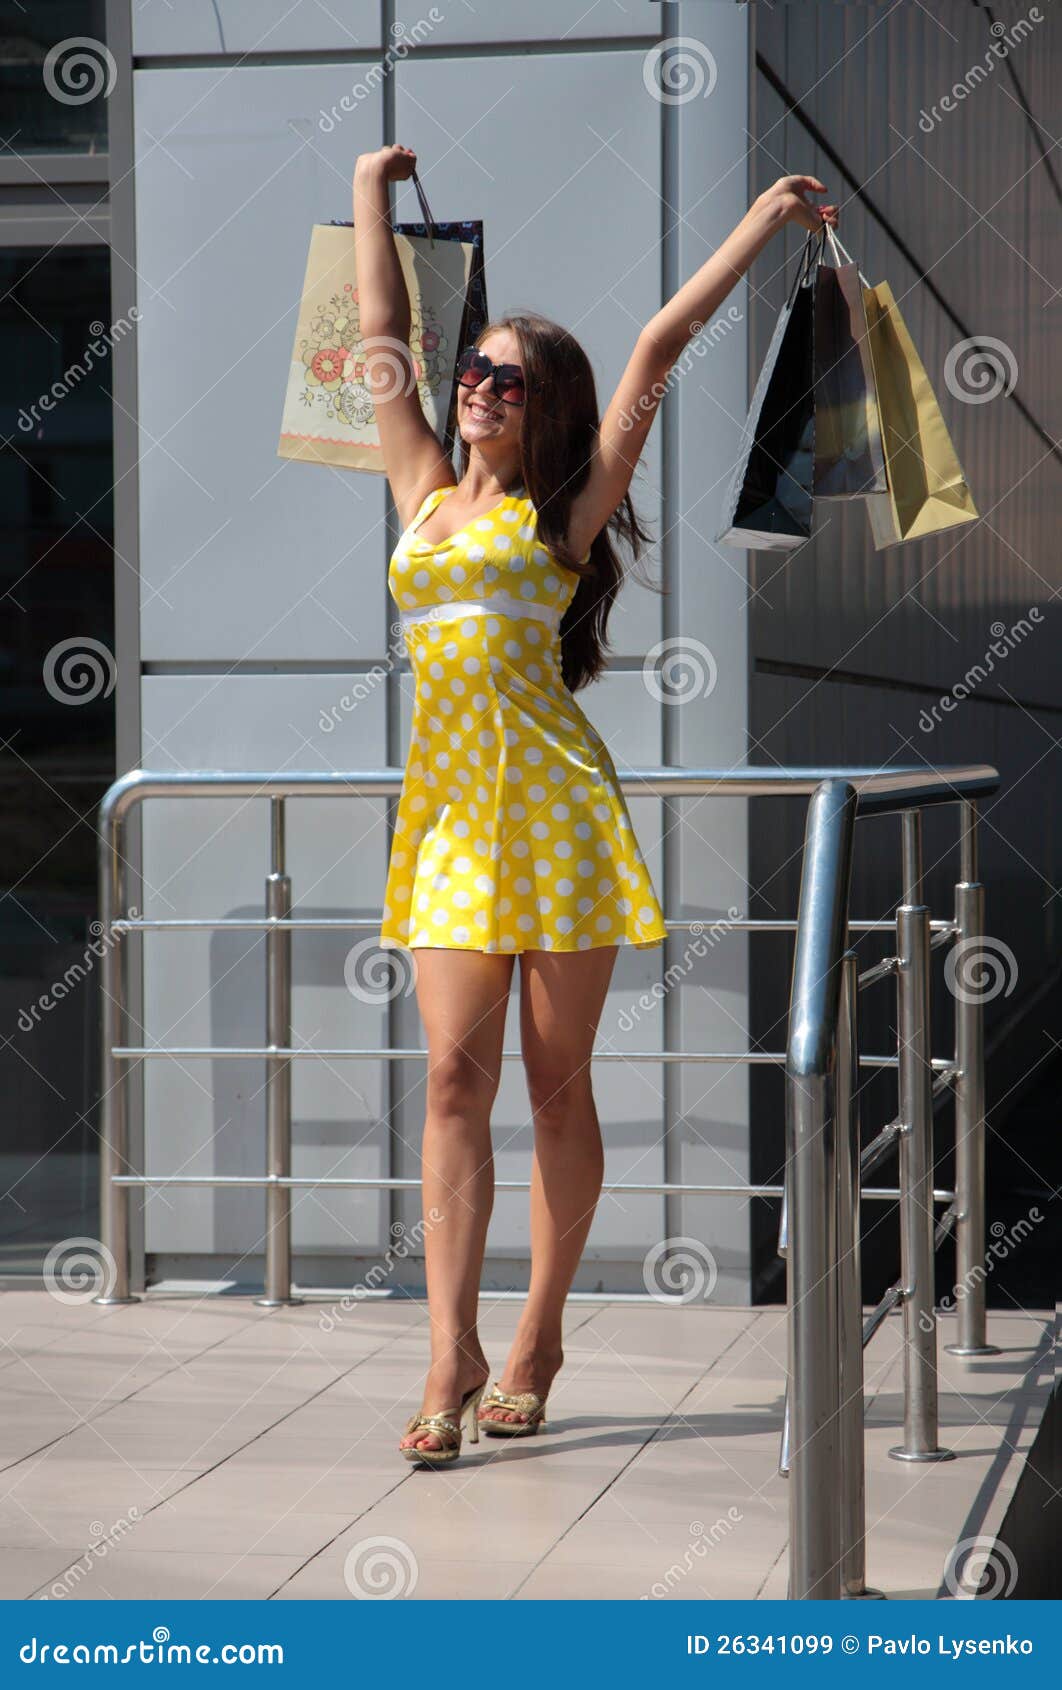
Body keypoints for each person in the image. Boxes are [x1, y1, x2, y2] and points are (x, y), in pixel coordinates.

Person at [351, 145, 838, 1465]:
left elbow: (657, 341)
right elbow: (382, 330)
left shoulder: (567, 512)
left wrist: (758, 217)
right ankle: (446, 1346)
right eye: (476, 370)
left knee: (553, 1091)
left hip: (558, 818)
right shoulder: (415, 490)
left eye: (506, 377)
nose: (478, 386)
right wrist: (368, 190)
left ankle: (539, 1331)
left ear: (546, 408)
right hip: (447, 822)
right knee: (452, 1076)